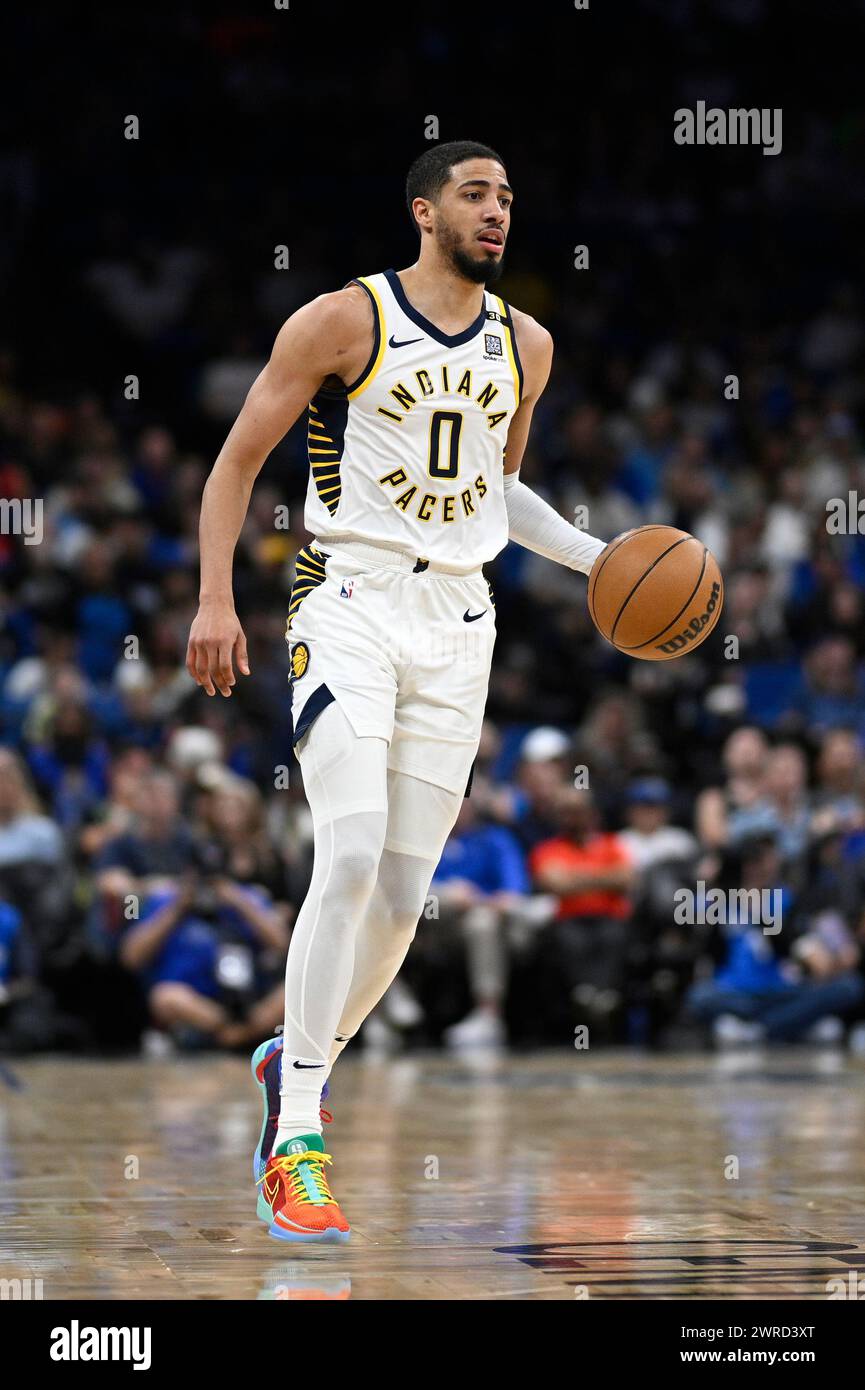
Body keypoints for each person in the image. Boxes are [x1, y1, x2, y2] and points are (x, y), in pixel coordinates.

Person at [186, 140, 610, 1242]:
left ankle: (295, 1054)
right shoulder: (343, 320)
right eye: (475, 194)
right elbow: (234, 464)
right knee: (354, 844)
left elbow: (498, 492)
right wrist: (216, 600)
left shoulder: (528, 344)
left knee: (403, 896)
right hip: (349, 600)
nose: (497, 212)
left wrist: (601, 560)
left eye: (509, 197)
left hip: (459, 621)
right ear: (423, 211)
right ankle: (298, 1138)